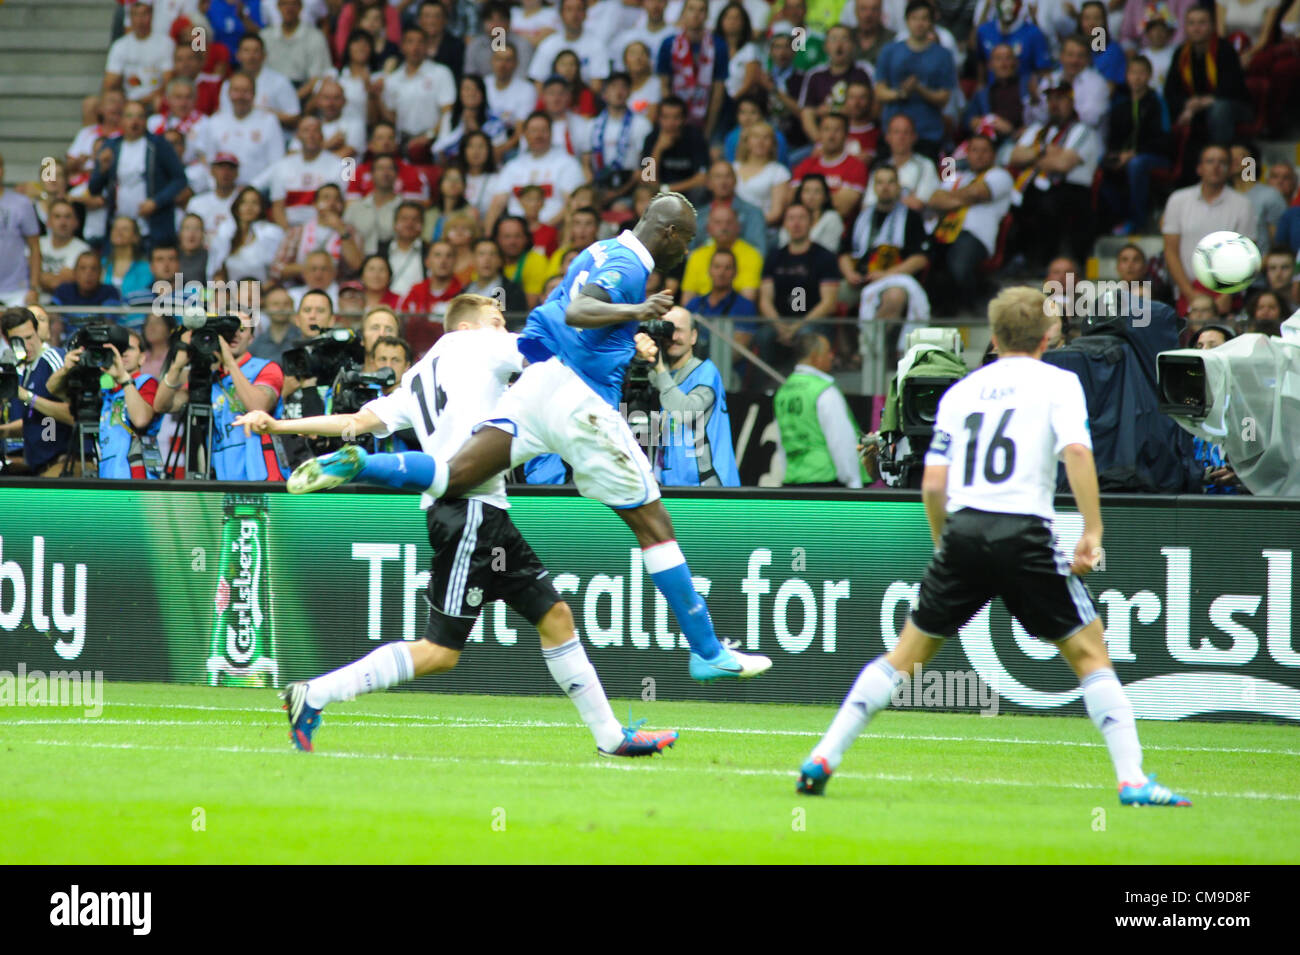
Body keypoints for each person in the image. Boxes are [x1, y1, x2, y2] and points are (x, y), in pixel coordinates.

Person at [288, 192, 773, 682]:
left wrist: (631, 321)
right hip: (581, 402)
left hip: (540, 384)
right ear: (668, 233)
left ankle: (359, 464)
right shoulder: (630, 266)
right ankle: (708, 651)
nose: (688, 251)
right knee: (654, 524)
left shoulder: (599, 250)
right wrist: (637, 309)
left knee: (455, 475)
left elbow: (563, 309)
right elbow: (583, 310)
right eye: (687, 240)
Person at [796, 285, 1192, 808]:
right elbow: (1076, 452)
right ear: (1048, 335)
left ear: (994, 334)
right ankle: (1132, 780)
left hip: (964, 531)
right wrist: (1092, 530)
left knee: (903, 656)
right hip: (1025, 532)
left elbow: (934, 485)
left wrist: (945, 545)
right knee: (1090, 653)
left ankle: (825, 754)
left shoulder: (961, 391)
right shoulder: (1059, 382)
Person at [234, 294, 676, 756]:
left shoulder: (418, 375)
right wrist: (627, 337)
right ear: (468, 328)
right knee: (440, 650)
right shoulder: (482, 345)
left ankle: (610, 737)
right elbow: (559, 350)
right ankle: (316, 693)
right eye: (496, 319)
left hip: (482, 513)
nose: (502, 327)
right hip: (469, 512)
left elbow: (356, 420)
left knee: (555, 616)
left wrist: (279, 426)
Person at [152, 314, 285, 480]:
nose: (235, 334)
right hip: (222, 477)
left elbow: (258, 406)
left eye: (242, 329)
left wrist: (229, 363)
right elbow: (162, 406)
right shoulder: (209, 377)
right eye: (228, 331)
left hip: (261, 475)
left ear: (251, 338)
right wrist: (177, 366)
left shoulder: (266, 368)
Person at [1010, 82, 1102, 270]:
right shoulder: (1037, 130)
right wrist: (1045, 150)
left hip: (1072, 190)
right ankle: (1021, 259)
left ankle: (1047, 263)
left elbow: (1062, 165)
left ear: (1071, 102)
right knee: (1014, 203)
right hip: (1035, 187)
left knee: (1048, 204)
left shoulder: (1082, 131)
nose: (1054, 104)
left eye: (1060, 99)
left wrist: (1032, 156)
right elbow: (1015, 157)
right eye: (1050, 99)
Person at [49, 329, 161, 478]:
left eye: (130, 349)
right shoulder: (107, 393)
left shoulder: (146, 382)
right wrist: (66, 369)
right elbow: (53, 389)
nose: (123, 354)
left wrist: (124, 378)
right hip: (108, 477)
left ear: (142, 358)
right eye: (119, 349)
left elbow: (141, 419)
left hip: (137, 478)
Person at [922, 133, 1015, 314]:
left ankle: (978, 300)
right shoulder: (957, 176)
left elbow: (979, 192)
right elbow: (934, 200)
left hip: (977, 235)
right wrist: (965, 197)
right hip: (946, 233)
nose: (979, 155)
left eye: (984, 151)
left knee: (959, 266)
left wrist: (951, 199)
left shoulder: (1001, 175)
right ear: (967, 154)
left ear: (993, 154)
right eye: (974, 150)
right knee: (927, 262)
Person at [1161, 143, 1256, 315]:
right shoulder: (1178, 200)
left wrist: (1227, 295)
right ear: (1199, 168)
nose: (1216, 167)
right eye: (1210, 161)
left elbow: (1247, 255)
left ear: (1229, 169)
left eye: (1222, 162)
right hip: (1187, 290)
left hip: (1228, 293)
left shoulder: (1243, 205)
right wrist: (1189, 293)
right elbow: (1170, 250)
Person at [651, 306, 741, 487]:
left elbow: (687, 411)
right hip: (671, 483)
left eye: (679, 331)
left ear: (694, 336)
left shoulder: (706, 371)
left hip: (706, 485)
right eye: (668, 331)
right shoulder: (663, 377)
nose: (673, 337)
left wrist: (659, 370)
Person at [773, 330, 865, 488]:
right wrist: (854, 482)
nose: (831, 356)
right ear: (816, 357)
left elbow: (782, 443)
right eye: (828, 352)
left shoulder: (783, 391)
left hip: (792, 482)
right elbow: (841, 441)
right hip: (825, 482)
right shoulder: (824, 390)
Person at [88, 101, 188, 246]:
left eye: (140, 117)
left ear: (146, 121)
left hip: (153, 228)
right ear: (121, 120)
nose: (134, 122)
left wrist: (156, 202)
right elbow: (93, 188)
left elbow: (180, 179)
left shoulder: (159, 145)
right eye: (129, 116)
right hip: (119, 227)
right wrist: (101, 169)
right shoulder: (111, 146)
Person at [873, 0, 956, 160]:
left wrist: (919, 89)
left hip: (927, 132)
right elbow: (879, 92)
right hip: (893, 132)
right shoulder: (890, 51)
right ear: (907, 21)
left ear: (932, 23)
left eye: (924, 18)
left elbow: (944, 98)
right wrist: (901, 93)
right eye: (915, 18)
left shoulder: (943, 55)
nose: (919, 23)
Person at [1163, 6, 1252, 150]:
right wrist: (1187, 105)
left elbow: (1233, 88)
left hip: (1234, 106)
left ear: (1212, 26)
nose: (1196, 28)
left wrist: (1203, 102)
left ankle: (1219, 153)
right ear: (1185, 27)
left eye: (1202, 23)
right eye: (1191, 23)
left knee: (1219, 108)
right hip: (1197, 107)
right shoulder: (1181, 53)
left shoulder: (1225, 49)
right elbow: (1171, 90)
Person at [1103, 55, 1172, 236]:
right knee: (1102, 165)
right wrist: (1116, 156)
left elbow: (1164, 140)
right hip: (1127, 156)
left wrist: (1135, 153)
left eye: (1142, 73)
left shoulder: (1157, 102)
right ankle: (1114, 219)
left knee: (1136, 164)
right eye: (1133, 73)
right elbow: (1113, 139)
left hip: (1155, 156)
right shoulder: (1120, 105)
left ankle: (1137, 221)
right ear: (1127, 75)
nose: (1137, 77)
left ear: (1149, 76)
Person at [1, 307, 72, 476]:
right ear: (6, 340)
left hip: (61, 466)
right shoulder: (25, 371)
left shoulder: (53, 359)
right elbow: (38, 423)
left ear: (37, 331)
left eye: (29, 337)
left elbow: (73, 414)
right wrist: (4, 430)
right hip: (39, 469)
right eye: (18, 341)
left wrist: (27, 396)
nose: (26, 346)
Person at [380, 26, 456, 162]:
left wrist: (430, 135)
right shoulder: (393, 79)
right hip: (403, 142)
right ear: (402, 46)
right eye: (410, 42)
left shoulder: (441, 73)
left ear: (427, 46)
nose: (415, 47)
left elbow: (447, 111)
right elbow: (391, 117)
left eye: (420, 42)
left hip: (432, 141)